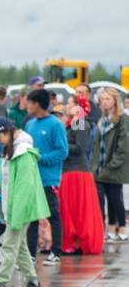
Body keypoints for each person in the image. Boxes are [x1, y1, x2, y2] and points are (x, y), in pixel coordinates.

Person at [0, 118, 48, 287]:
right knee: (20, 246)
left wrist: (15, 214)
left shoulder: (23, 153)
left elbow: (24, 188)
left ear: (8, 132)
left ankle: (1, 283)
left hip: (21, 209)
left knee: (10, 244)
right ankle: (33, 282)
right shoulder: (12, 151)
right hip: (14, 208)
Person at [23, 88, 68, 265]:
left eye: (30, 103)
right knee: (32, 217)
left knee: (52, 214)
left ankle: (56, 251)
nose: (27, 106)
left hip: (48, 179)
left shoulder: (55, 125)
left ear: (38, 104)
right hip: (31, 178)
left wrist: (40, 158)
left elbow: (62, 151)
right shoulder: (29, 124)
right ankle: (31, 254)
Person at [58, 98, 103, 257]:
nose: (67, 105)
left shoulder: (80, 123)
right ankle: (73, 242)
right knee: (71, 209)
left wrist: (61, 146)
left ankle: (76, 242)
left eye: (70, 103)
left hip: (76, 172)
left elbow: (80, 148)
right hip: (70, 172)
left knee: (76, 210)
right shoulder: (72, 124)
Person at [92, 87, 129, 241]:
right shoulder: (101, 119)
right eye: (102, 99)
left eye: (108, 99)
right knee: (102, 200)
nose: (105, 102)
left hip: (113, 167)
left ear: (114, 100)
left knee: (115, 199)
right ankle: (109, 228)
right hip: (98, 167)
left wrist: (112, 165)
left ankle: (121, 229)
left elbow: (123, 147)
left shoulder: (122, 119)